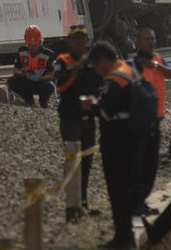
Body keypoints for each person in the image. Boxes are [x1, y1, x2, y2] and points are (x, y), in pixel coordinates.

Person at [85, 41, 144, 250]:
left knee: (117, 189)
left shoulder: (114, 78)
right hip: (134, 137)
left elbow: (107, 112)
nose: (96, 70)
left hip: (117, 141)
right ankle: (132, 231)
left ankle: (123, 236)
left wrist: (92, 104)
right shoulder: (129, 70)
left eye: (95, 65)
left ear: (102, 61)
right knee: (129, 187)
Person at [127, 27, 171, 216]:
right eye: (147, 39)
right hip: (138, 124)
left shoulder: (158, 60)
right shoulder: (132, 64)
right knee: (137, 165)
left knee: (150, 165)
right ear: (137, 42)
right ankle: (135, 203)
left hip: (155, 122)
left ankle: (142, 201)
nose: (151, 42)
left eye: (153, 38)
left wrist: (155, 66)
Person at [53, 24, 101, 218]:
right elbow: (61, 86)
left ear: (87, 40)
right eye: (76, 38)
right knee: (73, 161)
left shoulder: (94, 62)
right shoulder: (62, 61)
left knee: (87, 161)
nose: (80, 41)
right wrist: (77, 69)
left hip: (89, 118)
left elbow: (102, 87)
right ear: (69, 41)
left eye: (82, 37)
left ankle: (83, 203)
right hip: (70, 117)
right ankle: (71, 208)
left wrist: (96, 102)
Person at [6, 25, 56, 107]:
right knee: (11, 81)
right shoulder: (22, 51)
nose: (32, 48)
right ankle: (28, 99)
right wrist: (21, 73)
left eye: (35, 45)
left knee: (49, 86)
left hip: (41, 83)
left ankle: (43, 102)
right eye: (30, 45)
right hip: (26, 82)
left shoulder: (48, 54)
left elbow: (52, 75)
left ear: (40, 42)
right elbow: (15, 70)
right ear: (26, 42)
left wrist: (39, 78)